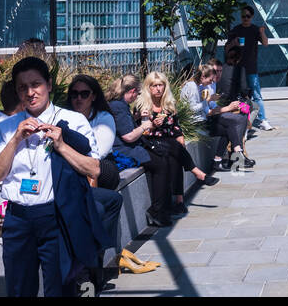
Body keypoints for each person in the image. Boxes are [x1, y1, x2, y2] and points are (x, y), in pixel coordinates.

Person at [0, 57, 108, 298]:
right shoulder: (7, 127)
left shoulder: (73, 120)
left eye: (36, 84)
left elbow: (93, 169)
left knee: (60, 288)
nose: (30, 93)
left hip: (56, 217)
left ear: (49, 84)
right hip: (18, 218)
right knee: (19, 289)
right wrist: (15, 140)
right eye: (23, 87)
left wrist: (62, 145)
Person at [136, 71, 218, 218]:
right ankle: (198, 174)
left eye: (161, 85)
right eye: (154, 86)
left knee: (175, 152)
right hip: (150, 144)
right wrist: (153, 126)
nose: (158, 89)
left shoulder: (168, 104)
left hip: (168, 143)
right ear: (148, 88)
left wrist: (180, 136)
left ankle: (179, 202)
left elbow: (176, 126)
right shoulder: (142, 107)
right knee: (174, 147)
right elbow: (142, 133)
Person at [108, 74, 174, 229]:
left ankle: (163, 206)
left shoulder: (117, 104)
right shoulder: (119, 106)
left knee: (162, 156)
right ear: (131, 91)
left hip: (128, 147)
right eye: (137, 94)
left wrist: (136, 117)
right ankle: (156, 211)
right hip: (123, 150)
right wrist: (145, 126)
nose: (136, 97)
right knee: (160, 164)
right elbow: (128, 136)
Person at [182, 65, 253, 170]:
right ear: (202, 77)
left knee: (229, 128)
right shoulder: (192, 86)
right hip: (196, 124)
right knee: (229, 126)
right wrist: (208, 100)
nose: (211, 82)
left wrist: (210, 102)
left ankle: (223, 159)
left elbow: (203, 108)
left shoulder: (197, 86)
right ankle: (235, 156)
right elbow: (192, 109)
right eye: (210, 80)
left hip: (201, 120)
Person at [228, 5, 276, 130]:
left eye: (248, 16)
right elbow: (227, 47)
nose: (245, 18)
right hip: (237, 69)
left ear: (252, 17)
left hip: (251, 68)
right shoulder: (236, 30)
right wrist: (235, 42)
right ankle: (242, 119)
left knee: (256, 95)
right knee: (239, 95)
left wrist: (262, 32)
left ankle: (262, 119)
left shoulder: (255, 30)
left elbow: (265, 43)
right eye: (243, 16)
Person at [67, 74, 120, 189]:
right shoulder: (64, 116)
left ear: (94, 96)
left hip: (101, 164)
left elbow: (99, 154)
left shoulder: (104, 118)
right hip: (71, 162)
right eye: (74, 94)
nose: (79, 98)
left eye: (84, 94)